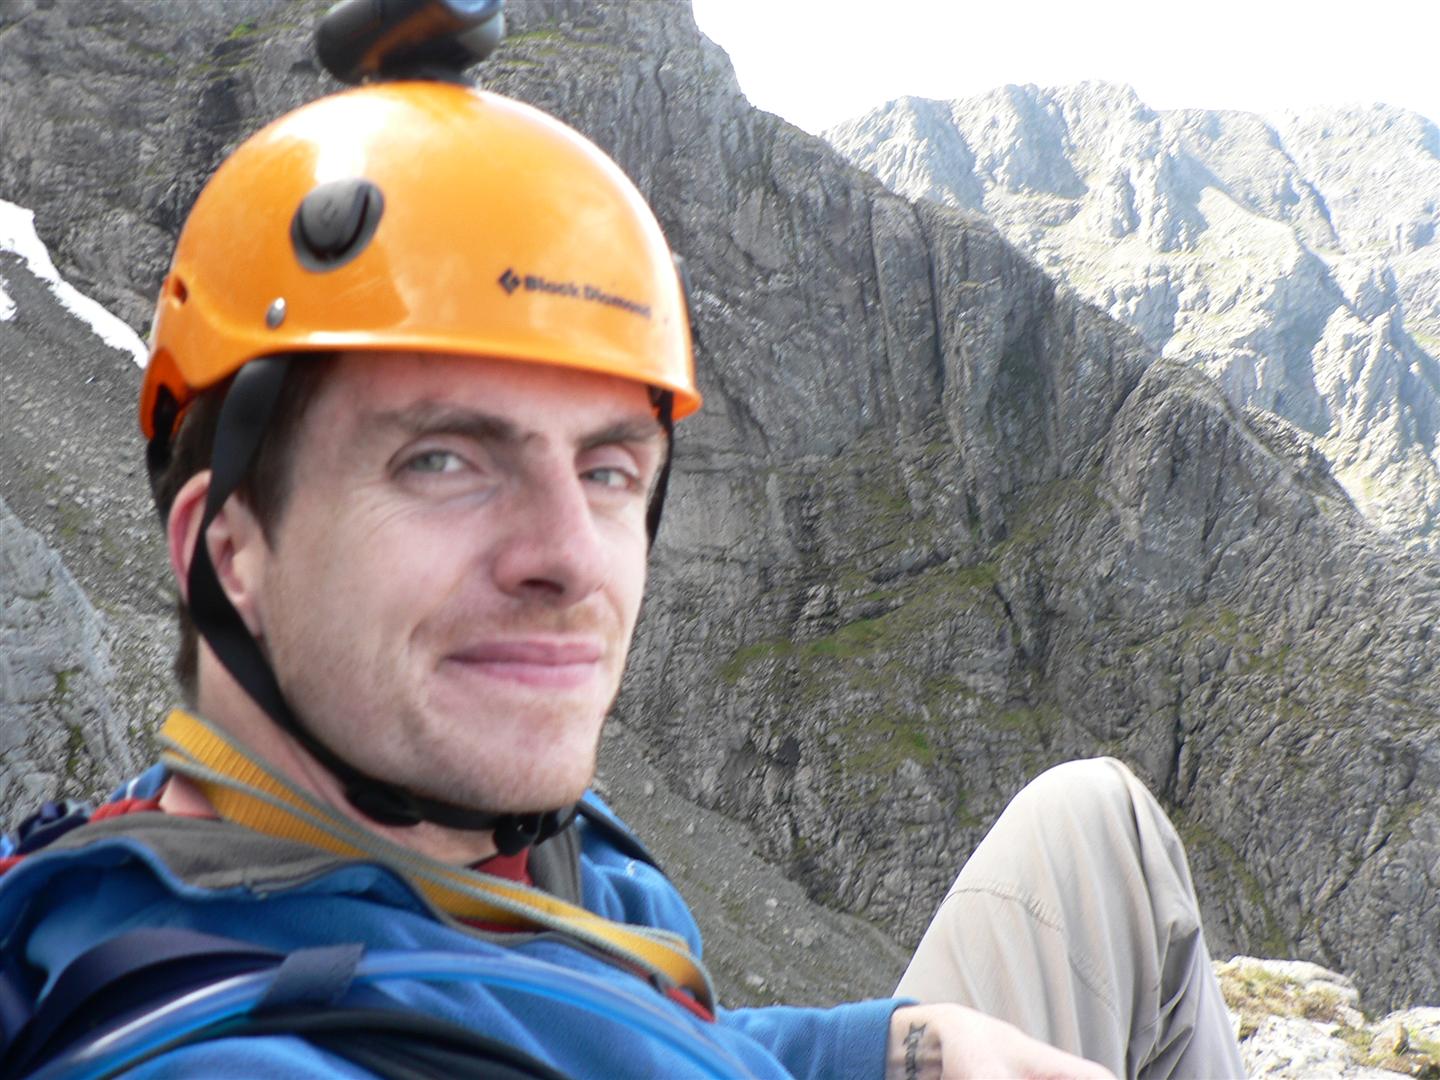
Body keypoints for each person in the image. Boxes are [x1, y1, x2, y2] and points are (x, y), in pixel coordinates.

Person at [0, 27, 1244, 1080]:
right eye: (444, 460)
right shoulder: (242, 1052)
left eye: (607, 470)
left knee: (1101, 830)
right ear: (229, 555)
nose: (567, 556)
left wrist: (894, 1044)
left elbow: (616, 1029)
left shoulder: (467, 847)